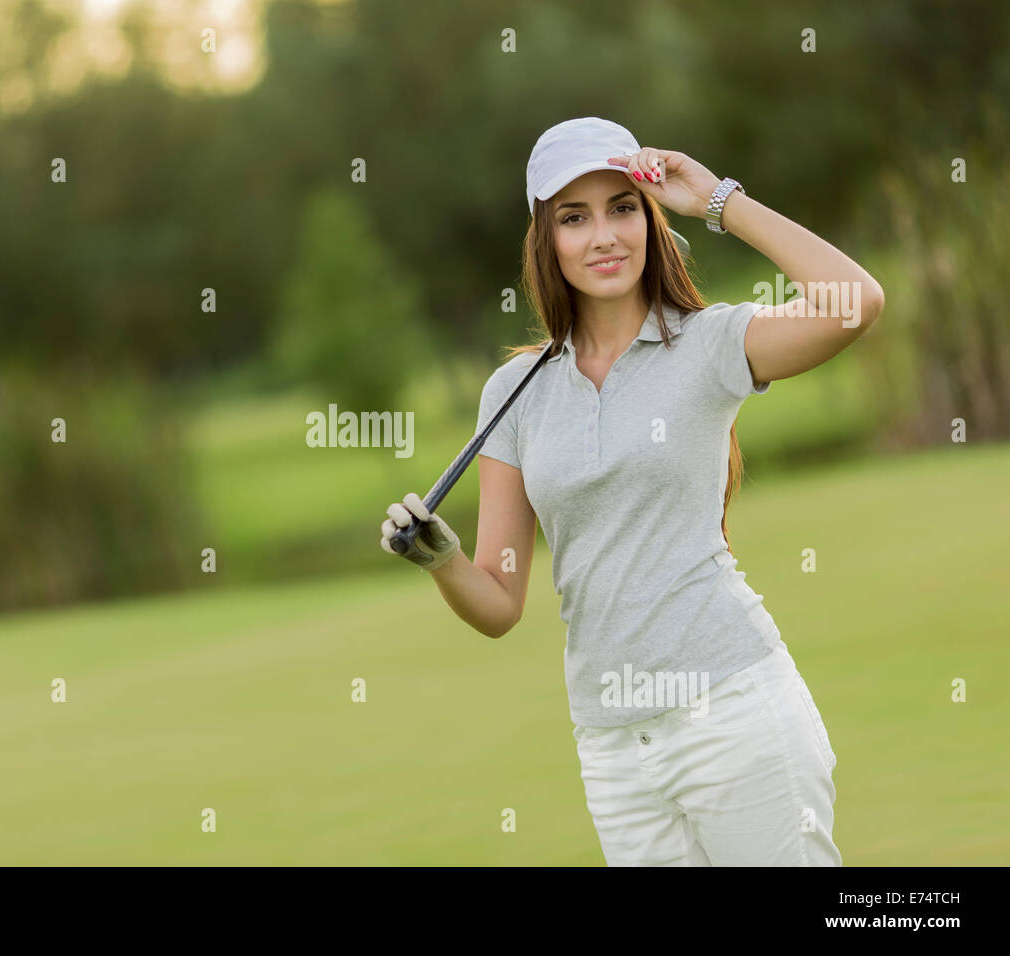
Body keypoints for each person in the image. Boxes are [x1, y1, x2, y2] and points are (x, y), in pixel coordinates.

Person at [379, 117, 885, 866]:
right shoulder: (513, 392)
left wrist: (716, 199)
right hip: (614, 747)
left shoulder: (710, 343)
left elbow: (857, 302)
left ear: (650, 219)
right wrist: (442, 559)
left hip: (734, 712)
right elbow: (499, 604)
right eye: (573, 219)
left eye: (622, 208)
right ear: (545, 241)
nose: (604, 236)